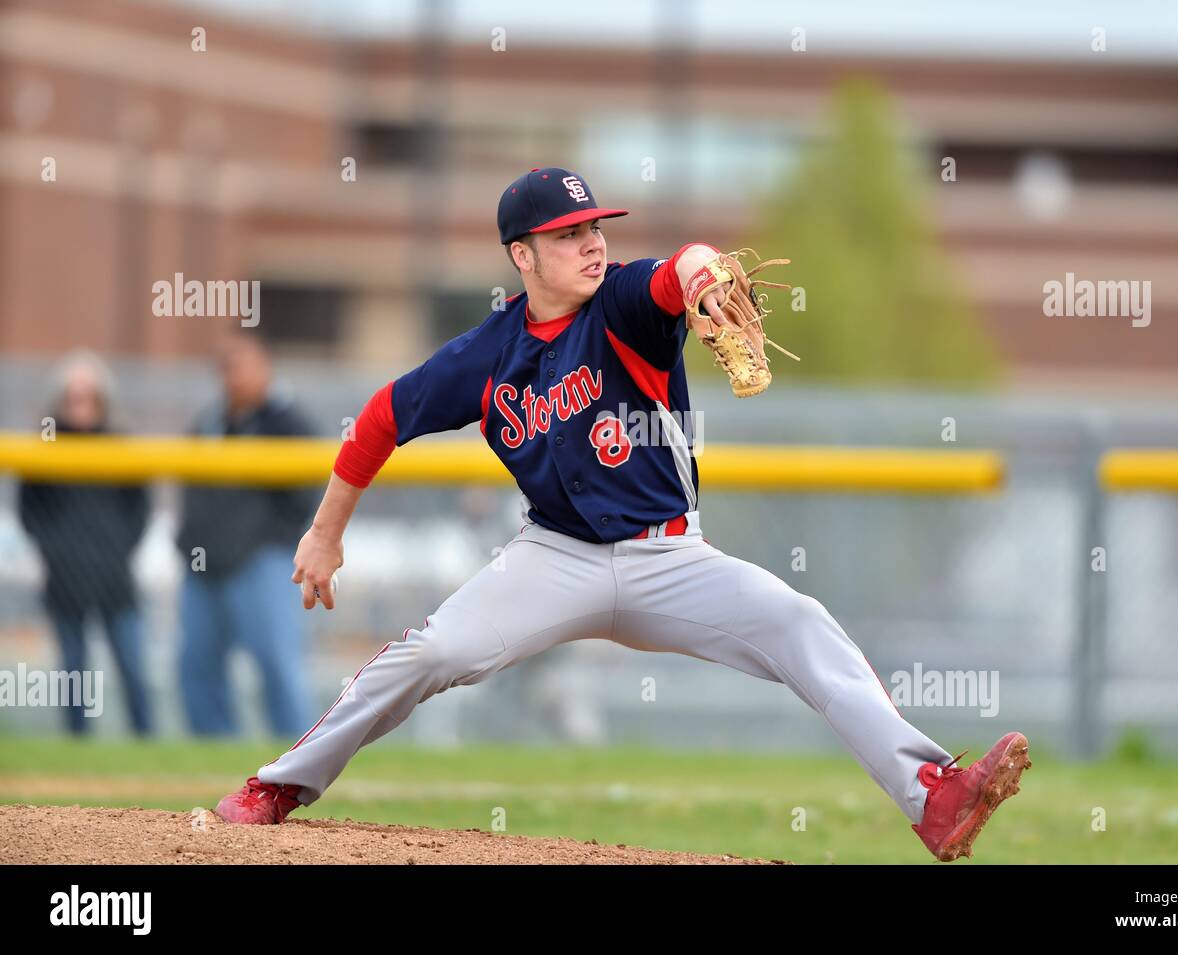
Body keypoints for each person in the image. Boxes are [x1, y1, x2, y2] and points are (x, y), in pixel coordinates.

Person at [212, 167, 1030, 861]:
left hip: (669, 558)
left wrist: (706, 273)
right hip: (553, 557)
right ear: (521, 254)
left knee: (799, 621)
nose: (592, 243)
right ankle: (275, 787)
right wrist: (324, 531)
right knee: (428, 655)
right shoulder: (489, 354)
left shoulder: (626, 304)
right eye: (568, 234)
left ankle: (932, 795)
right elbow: (384, 416)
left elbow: (681, 266)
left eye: (595, 226)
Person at [176, 336, 316, 738]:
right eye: (226, 368)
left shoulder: (287, 423)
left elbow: (305, 495)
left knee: (276, 663)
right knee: (197, 666)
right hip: (204, 565)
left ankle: (298, 754)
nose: (232, 378)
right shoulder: (209, 423)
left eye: (241, 367)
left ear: (265, 369)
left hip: (262, 561)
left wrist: (265, 538)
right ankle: (214, 751)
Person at [18, 351, 153, 735]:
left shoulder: (120, 444)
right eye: (73, 397)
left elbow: (138, 510)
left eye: (89, 396)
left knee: (131, 664)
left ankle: (145, 739)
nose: (81, 405)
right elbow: (30, 513)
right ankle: (78, 739)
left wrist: (116, 549)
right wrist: (57, 550)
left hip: (114, 577)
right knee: (74, 670)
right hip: (63, 578)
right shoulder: (44, 446)